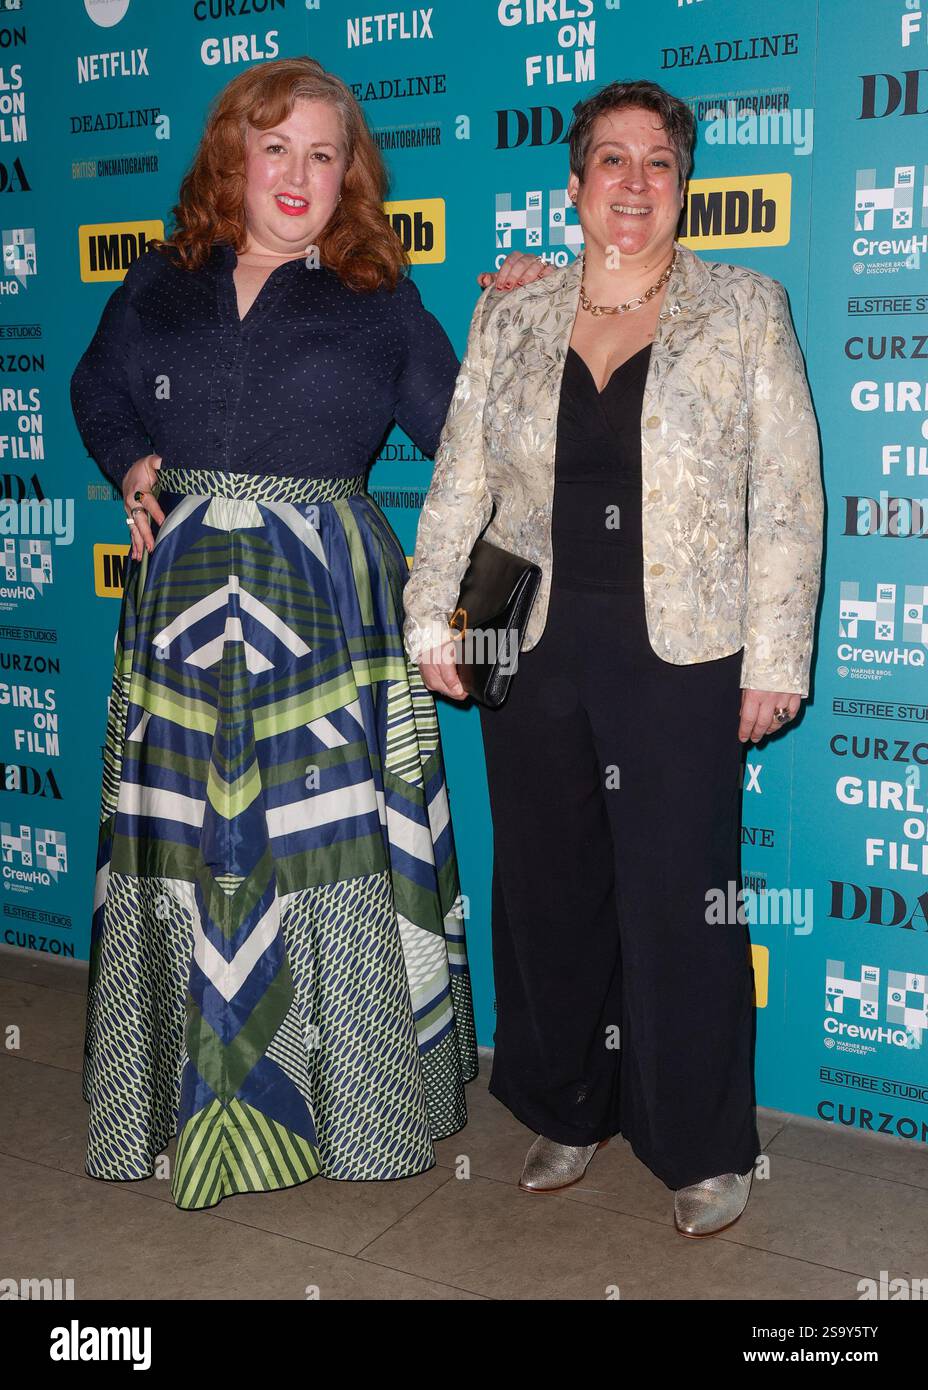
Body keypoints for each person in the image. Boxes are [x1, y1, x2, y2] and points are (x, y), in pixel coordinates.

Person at [70, 55, 541, 1212]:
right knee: (191, 856)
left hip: (328, 612)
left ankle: (358, 1104)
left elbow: (462, 432)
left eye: (323, 153)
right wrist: (132, 455)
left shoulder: (378, 295)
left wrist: (519, 320)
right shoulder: (157, 283)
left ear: (349, 176)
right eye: (274, 145)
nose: (297, 172)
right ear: (233, 154)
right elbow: (92, 387)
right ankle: (194, 1098)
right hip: (181, 620)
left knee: (333, 854)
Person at [403, 79, 824, 1237]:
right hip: (531, 638)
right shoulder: (513, 312)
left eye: (658, 164)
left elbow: (787, 499)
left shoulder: (743, 306)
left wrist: (775, 652)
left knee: (684, 898)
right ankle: (565, 1103)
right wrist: (432, 617)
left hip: (683, 647)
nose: (633, 184)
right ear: (574, 183)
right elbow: (460, 478)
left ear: (684, 187)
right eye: (610, 162)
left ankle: (700, 1140)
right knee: (546, 889)